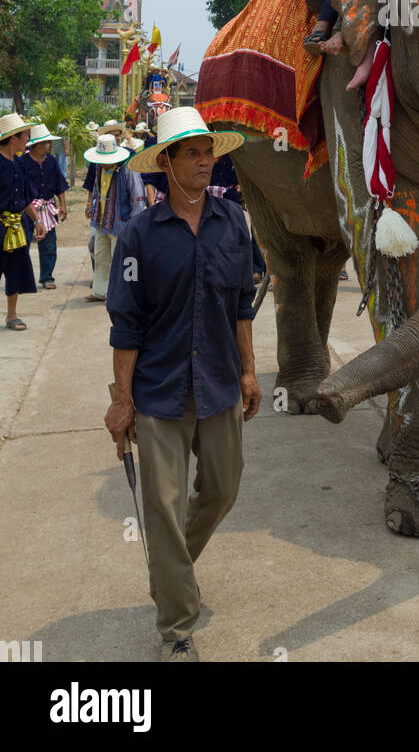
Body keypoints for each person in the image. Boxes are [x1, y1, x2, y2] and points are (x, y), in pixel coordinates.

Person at [104, 107, 262, 662]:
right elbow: (126, 324)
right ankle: (177, 628)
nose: (204, 160)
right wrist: (121, 400)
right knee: (163, 510)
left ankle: (170, 573)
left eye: (208, 151)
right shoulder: (139, 236)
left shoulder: (232, 223)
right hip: (158, 391)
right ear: (166, 163)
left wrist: (248, 369)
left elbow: (242, 304)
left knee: (222, 489)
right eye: (192, 152)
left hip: (218, 382)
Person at [83, 133, 146, 303]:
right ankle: (100, 291)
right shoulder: (98, 168)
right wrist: (92, 205)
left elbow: (138, 198)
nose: (103, 163)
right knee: (100, 255)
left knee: (124, 260)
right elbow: (97, 190)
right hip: (102, 219)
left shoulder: (128, 170)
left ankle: (125, 293)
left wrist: (135, 225)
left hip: (122, 222)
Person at [0, 113, 46, 330]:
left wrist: (37, 221)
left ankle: (11, 315)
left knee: (16, 271)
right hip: (0, 226)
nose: (28, 140)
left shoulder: (19, 164)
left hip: (18, 227)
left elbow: (25, 197)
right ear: (13, 138)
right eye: (25, 136)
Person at [21, 122, 68, 289]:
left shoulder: (52, 161)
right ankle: (22, 278)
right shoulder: (22, 162)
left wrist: (63, 204)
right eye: (46, 142)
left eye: (49, 142)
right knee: (23, 242)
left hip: (48, 207)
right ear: (36, 145)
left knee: (49, 243)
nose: (49, 145)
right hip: (27, 208)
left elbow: (59, 184)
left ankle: (47, 276)